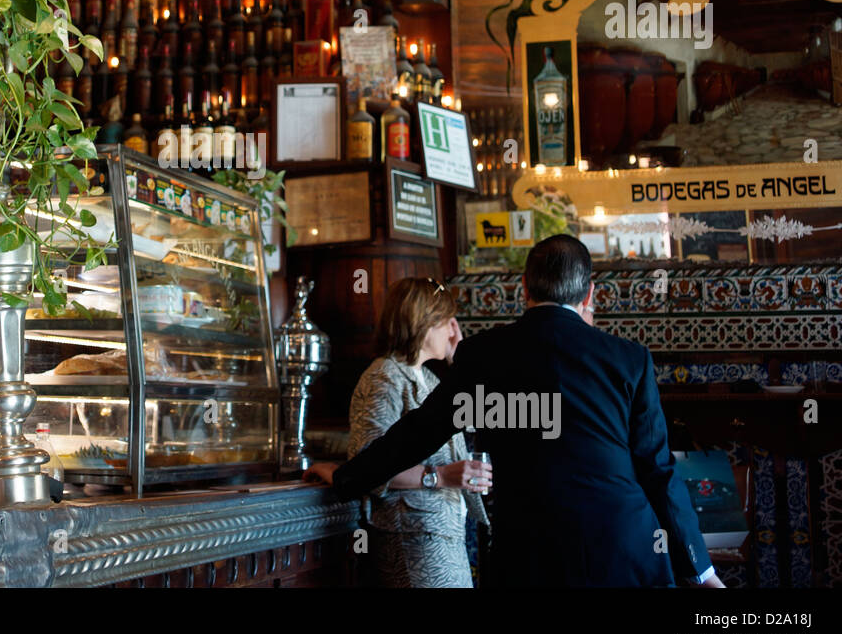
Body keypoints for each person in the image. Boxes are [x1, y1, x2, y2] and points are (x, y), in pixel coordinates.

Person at [307, 235, 722, 588]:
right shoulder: (630, 359)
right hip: (624, 551)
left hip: (527, 556)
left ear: (524, 288)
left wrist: (348, 476)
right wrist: (701, 572)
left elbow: (418, 432)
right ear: (590, 293)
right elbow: (657, 469)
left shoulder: (483, 354)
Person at [346, 277, 492, 588]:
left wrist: (458, 364)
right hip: (412, 539)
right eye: (446, 322)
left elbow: (472, 420)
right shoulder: (383, 377)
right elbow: (365, 467)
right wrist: (440, 476)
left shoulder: (431, 379)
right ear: (422, 322)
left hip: (445, 535)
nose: (454, 331)